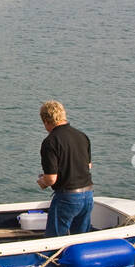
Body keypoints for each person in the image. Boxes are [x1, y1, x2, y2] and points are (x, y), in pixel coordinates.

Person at [37, 100, 93, 236]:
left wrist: (42, 182)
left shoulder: (50, 141)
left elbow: (51, 178)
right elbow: (88, 166)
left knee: (54, 240)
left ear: (46, 120)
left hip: (67, 197)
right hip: (88, 194)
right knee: (81, 238)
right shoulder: (82, 136)